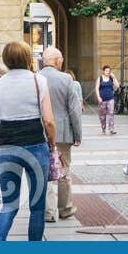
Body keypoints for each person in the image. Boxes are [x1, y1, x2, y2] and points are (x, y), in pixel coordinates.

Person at [0, 40, 54, 242]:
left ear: (6, 59)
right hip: (35, 144)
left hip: (7, 145)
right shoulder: (38, 81)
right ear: (27, 58)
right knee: (37, 205)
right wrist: (51, 145)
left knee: (8, 203)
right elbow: (49, 120)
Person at [39, 46, 83, 223]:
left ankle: (48, 212)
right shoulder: (66, 79)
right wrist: (77, 134)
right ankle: (65, 209)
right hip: (63, 133)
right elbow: (74, 110)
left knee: (45, 172)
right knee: (64, 172)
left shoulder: (36, 78)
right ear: (57, 61)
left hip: (41, 132)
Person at [94, 64, 118, 135]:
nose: (107, 72)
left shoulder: (111, 78)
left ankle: (111, 129)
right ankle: (103, 129)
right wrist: (98, 97)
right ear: (103, 71)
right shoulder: (100, 78)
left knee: (111, 113)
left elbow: (117, 86)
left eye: (109, 71)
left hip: (110, 98)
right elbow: (97, 88)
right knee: (102, 115)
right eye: (106, 71)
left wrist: (114, 78)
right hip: (102, 99)